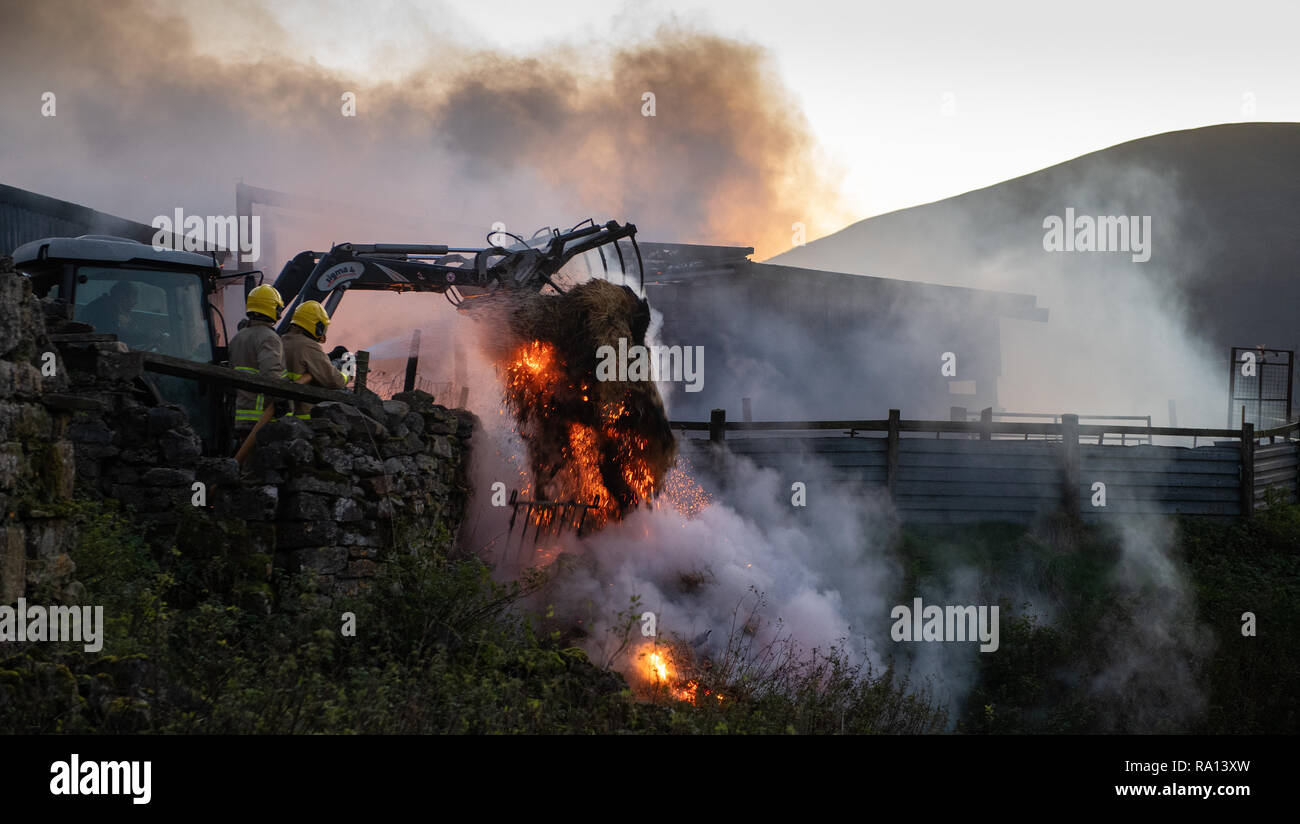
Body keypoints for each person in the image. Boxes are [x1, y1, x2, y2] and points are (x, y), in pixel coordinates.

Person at [228, 284, 286, 435]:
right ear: (275, 309)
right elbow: (271, 373)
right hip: (262, 416)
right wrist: (281, 400)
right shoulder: (269, 338)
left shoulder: (238, 337)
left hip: (241, 413)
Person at [281, 300, 348, 420]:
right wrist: (348, 372)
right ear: (316, 326)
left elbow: (305, 363)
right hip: (303, 417)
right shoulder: (308, 345)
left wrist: (330, 357)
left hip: (284, 414)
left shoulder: (282, 340)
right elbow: (336, 381)